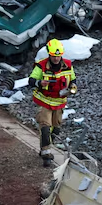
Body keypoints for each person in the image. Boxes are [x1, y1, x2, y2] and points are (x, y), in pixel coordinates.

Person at [29, 38, 77, 166]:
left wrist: (73, 87)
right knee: (45, 127)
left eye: (58, 56)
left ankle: (46, 146)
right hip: (44, 102)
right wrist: (40, 83)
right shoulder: (41, 66)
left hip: (59, 102)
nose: (56, 59)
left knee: (56, 129)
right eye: (53, 56)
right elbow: (31, 80)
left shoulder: (67, 65)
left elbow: (73, 79)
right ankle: (46, 154)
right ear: (49, 54)